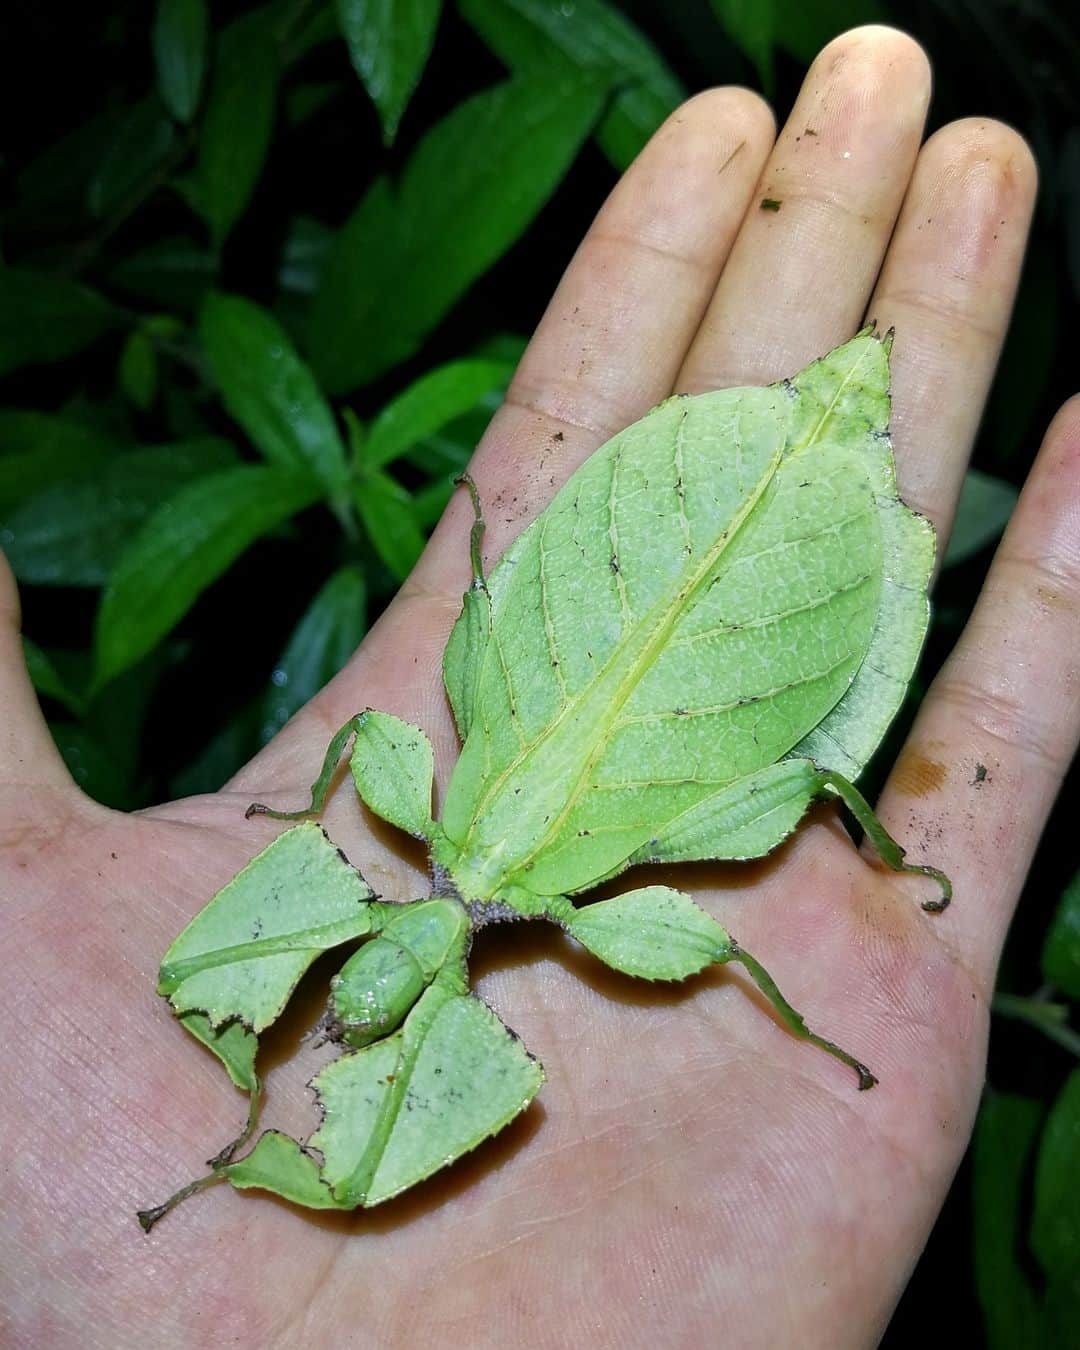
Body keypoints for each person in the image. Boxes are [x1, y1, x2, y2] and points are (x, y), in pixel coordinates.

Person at [2, 24, 1076, 1348]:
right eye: (379, 1003)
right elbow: (458, 669)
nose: (357, 1005)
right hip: (741, 531)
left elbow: (469, 673)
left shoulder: (419, 804)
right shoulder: (435, 816)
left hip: (770, 504)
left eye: (350, 992)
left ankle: (828, 439)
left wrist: (323, 792)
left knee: (782, 791)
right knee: (784, 784)